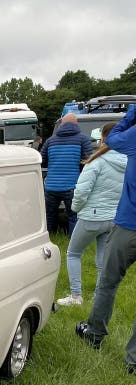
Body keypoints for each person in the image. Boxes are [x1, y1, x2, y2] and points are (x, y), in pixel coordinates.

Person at [75, 103, 136, 374]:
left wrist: (132, 115)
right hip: (121, 220)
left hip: (128, 224)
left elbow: (111, 138)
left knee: (108, 282)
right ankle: (133, 361)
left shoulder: (132, 137)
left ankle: (95, 332)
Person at [57, 122, 125, 306]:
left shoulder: (97, 161)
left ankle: (76, 296)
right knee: (102, 260)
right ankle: (98, 297)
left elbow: (80, 192)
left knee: (73, 253)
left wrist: (76, 209)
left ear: (102, 138)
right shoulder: (128, 161)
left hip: (91, 217)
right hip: (113, 218)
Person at [41, 113, 93, 235]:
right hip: (72, 186)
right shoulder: (82, 139)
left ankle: (49, 238)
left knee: (49, 215)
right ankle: (72, 241)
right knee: (73, 216)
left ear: (62, 124)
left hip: (51, 186)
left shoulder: (50, 141)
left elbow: (42, 160)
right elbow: (88, 162)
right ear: (76, 124)